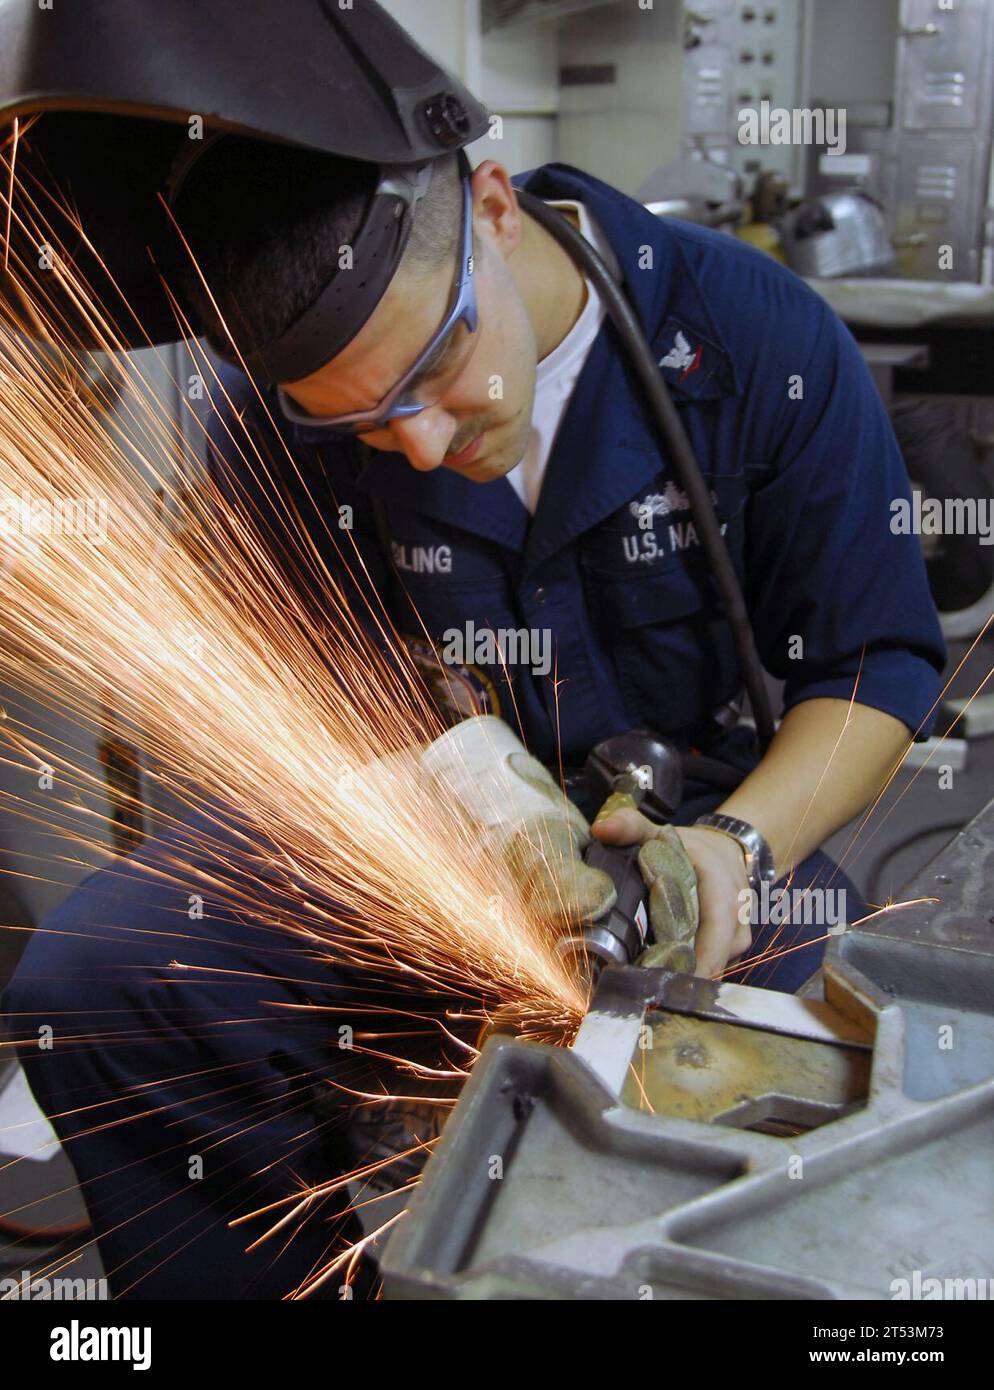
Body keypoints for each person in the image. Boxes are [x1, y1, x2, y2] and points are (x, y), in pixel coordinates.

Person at [4, 128, 945, 1297]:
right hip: (423, 834)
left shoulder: (756, 333)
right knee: (104, 974)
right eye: (366, 425)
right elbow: (302, 695)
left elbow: (870, 665)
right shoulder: (270, 419)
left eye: (436, 375)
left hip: (706, 843)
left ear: (493, 206)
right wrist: (437, 810)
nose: (424, 444)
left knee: (804, 1055)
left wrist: (737, 846)